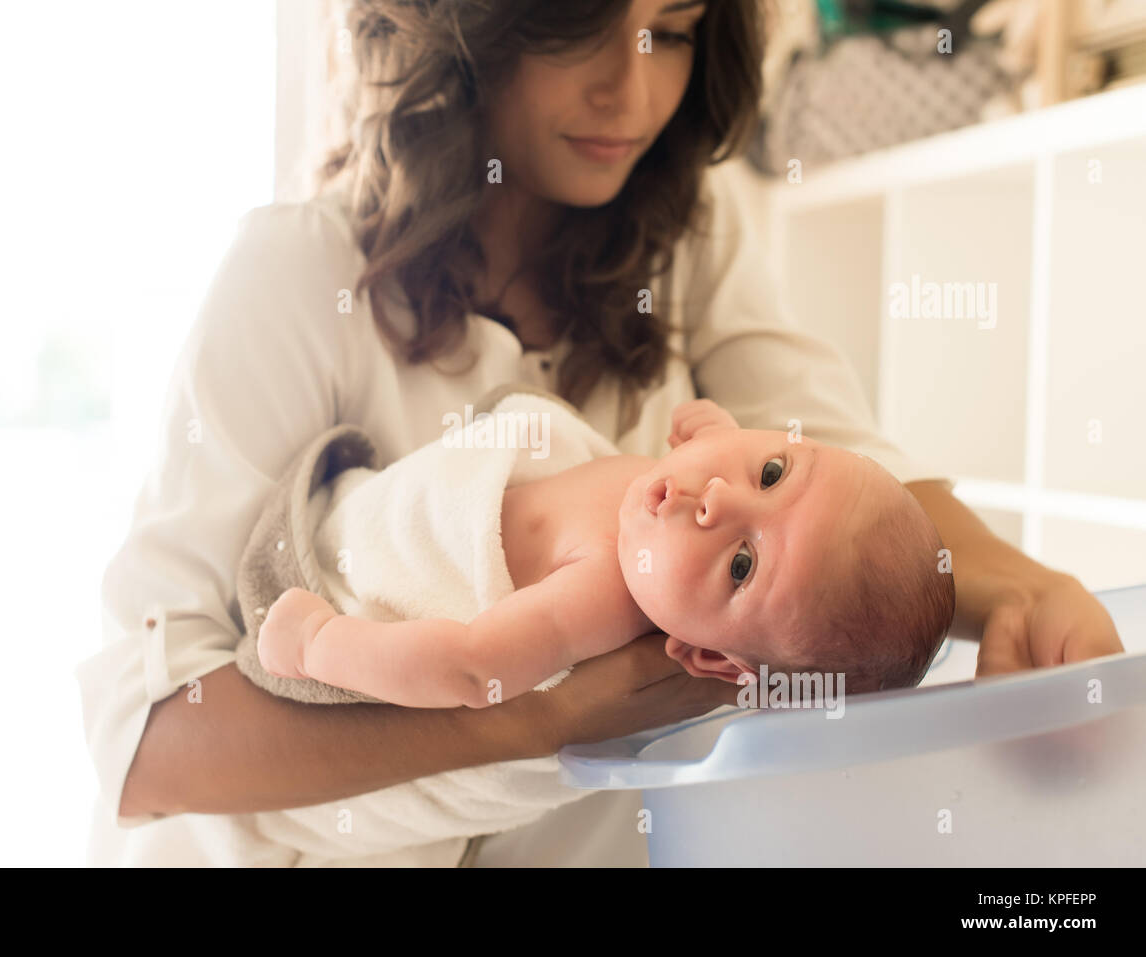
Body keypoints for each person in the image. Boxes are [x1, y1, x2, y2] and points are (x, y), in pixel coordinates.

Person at [75, 0, 1124, 867]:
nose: (631, 93)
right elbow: (147, 751)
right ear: (467, 29)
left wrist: (1031, 595)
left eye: (670, 30)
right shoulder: (298, 277)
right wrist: (536, 721)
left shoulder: (691, 239)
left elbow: (852, 481)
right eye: (578, 28)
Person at [258, 397, 955, 707]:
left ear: (708, 655)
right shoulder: (682, 502)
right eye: (772, 472)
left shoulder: (600, 596)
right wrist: (720, 433)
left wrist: (319, 643)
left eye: (743, 564)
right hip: (363, 488)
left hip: (334, 567)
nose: (718, 497)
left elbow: (470, 670)